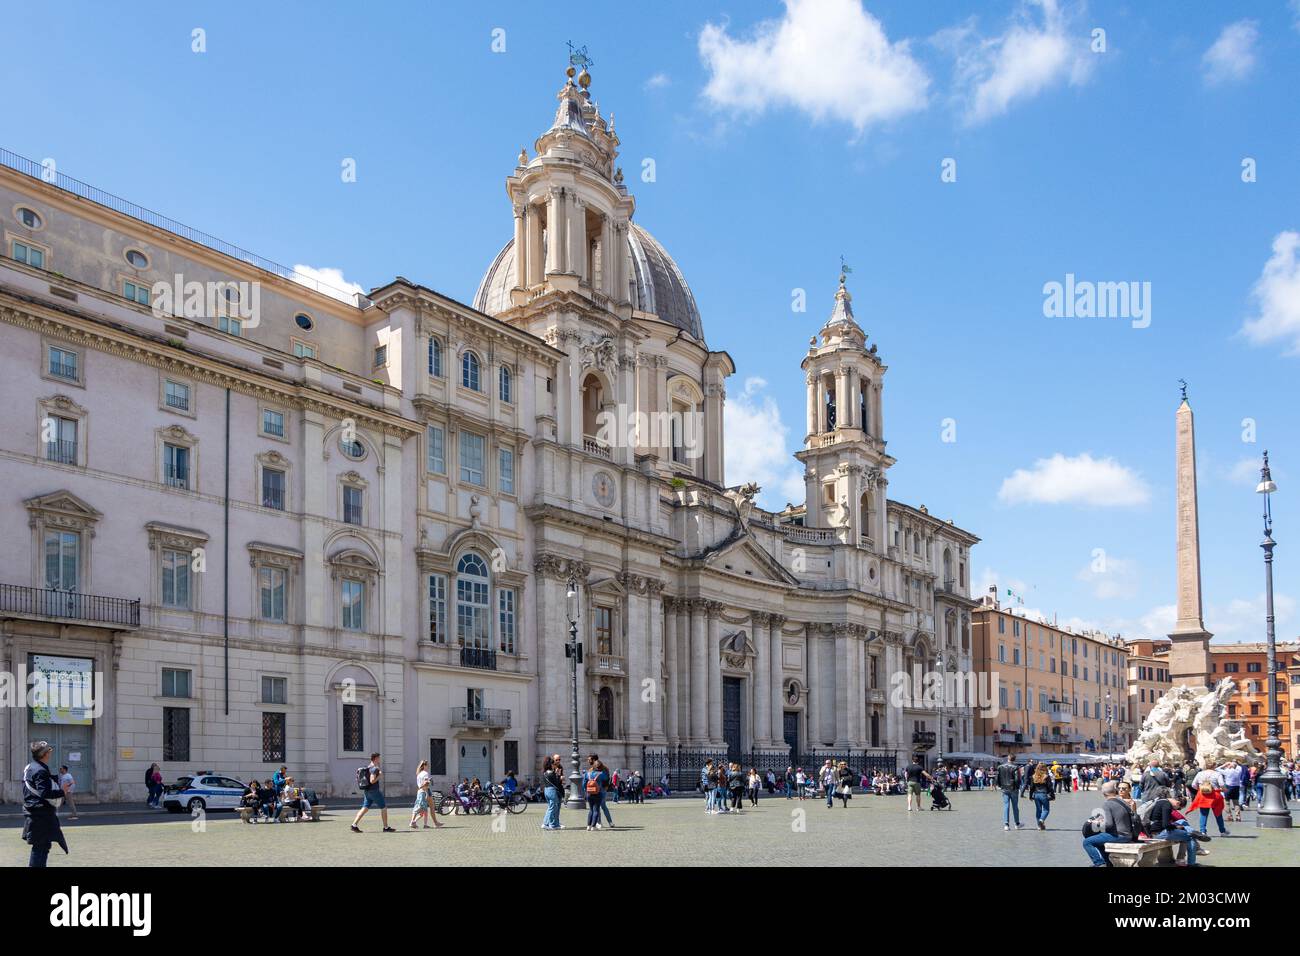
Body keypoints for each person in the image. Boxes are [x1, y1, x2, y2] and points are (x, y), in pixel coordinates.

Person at [23, 741, 68, 867]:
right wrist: (62, 792)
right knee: (40, 847)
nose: (50, 753)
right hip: (40, 814)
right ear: (45, 754)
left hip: (34, 811)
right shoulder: (40, 770)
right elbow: (44, 793)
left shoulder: (30, 767)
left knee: (42, 845)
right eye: (49, 751)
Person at [1082, 780, 1138, 866]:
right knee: (1098, 841)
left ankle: (1099, 863)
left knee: (1087, 842)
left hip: (1119, 835)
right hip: (1129, 834)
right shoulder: (1122, 801)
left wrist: (1096, 823)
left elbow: (1109, 824)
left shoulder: (1107, 804)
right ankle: (1108, 863)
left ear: (1103, 793)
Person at [1147, 793, 1200, 866]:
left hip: (1153, 830)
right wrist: (1177, 827)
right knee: (1191, 837)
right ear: (1177, 803)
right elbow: (1166, 825)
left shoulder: (1161, 801)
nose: (1177, 810)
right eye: (1178, 808)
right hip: (1159, 833)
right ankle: (1192, 863)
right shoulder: (1167, 806)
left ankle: (1193, 836)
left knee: (1182, 822)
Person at [351, 752, 394, 833]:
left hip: (367, 791)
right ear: (376, 758)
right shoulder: (374, 768)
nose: (380, 760)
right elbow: (372, 780)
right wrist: (379, 776)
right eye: (379, 758)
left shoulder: (368, 767)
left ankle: (354, 825)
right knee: (383, 808)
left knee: (364, 808)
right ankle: (386, 827)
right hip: (374, 791)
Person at [1189, 765, 1229, 836]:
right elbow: (1221, 784)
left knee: (1203, 814)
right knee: (1218, 813)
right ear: (1214, 766)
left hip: (1203, 795)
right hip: (1215, 795)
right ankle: (1222, 831)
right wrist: (1224, 789)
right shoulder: (1217, 774)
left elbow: (1193, 785)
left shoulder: (1200, 773)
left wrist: (1200, 789)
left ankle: (1203, 831)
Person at [410, 759, 442, 830]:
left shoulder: (419, 774)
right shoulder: (425, 773)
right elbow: (426, 783)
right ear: (424, 765)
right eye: (427, 765)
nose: (428, 766)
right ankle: (414, 822)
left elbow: (421, 783)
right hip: (425, 791)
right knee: (428, 808)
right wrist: (427, 792)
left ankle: (429, 823)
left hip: (421, 791)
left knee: (425, 808)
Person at [996, 754, 1023, 830]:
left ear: (1008, 758)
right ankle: (1017, 823)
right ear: (1014, 759)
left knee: (1006, 805)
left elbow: (997, 778)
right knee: (1015, 806)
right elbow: (1017, 779)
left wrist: (1000, 786)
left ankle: (1006, 824)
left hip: (1004, 788)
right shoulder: (1016, 767)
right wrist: (1018, 787)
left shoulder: (1000, 767)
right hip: (1013, 788)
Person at [584, 754, 610, 831]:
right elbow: (607, 778)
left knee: (591, 810)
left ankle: (588, 826)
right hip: (597, 793)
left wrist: (586, 791)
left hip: (589, 794)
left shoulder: (587, 773)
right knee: (596, 810)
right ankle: (593, 826)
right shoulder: (601, 774)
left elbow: (583, 784)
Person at [1027, 763, 1054, 830]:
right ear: (1044, 768)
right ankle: (1041, 820)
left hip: (1036, 795)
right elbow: (1050, 787)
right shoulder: (1046, 776)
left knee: (1038, 810)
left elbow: (1032, 787)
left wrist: (1030, 796)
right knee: (1046, 810)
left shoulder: (1033, 776)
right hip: (1044, 795)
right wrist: (1052, 796)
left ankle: (1039, 826)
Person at [542, 754, 565, 830]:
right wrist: (558, 776)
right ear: (550, 764)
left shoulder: (545, 773)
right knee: (552, 808)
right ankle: (547, 824)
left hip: (546, 790)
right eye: (553, 764)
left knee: (550, 807)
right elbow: (557, 782)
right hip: (552, 791)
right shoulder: (551, 773)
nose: (554, 765)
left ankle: (551, 824)